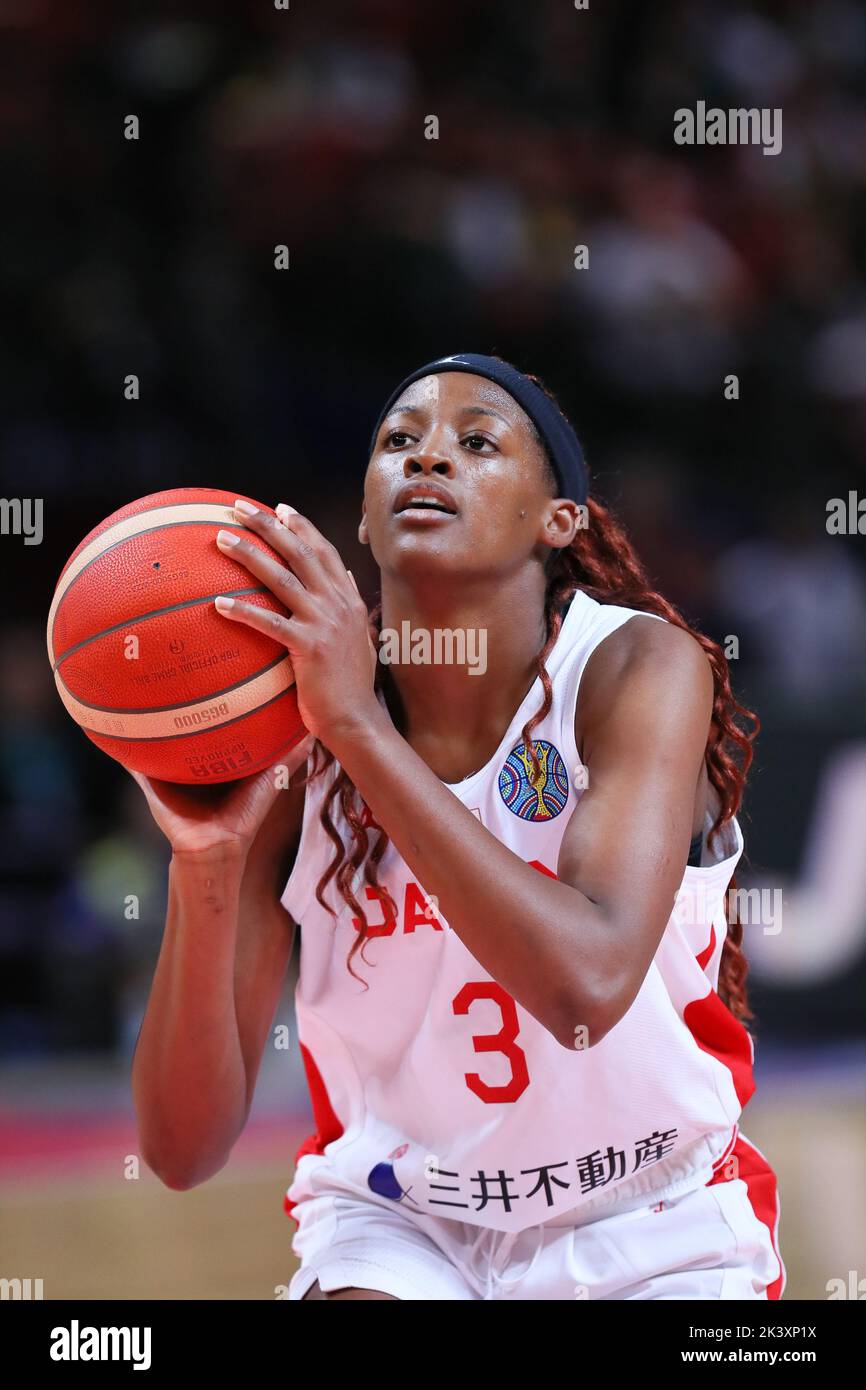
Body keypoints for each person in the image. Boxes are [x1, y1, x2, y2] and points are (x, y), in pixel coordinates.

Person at [131, 352, 785, 1301]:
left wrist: (356, 727)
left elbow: (585, 989)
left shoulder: (637, 667)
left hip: (651, 1211)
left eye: (475, 444)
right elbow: (182, 1152)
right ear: (363, 514)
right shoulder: (289, 737)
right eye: (400, 442)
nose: (428, 459)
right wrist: (207, 859)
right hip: (401, 1225)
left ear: (559, 520)